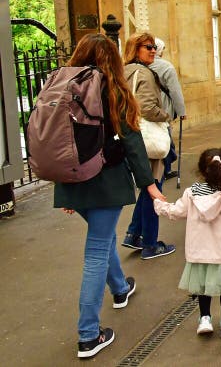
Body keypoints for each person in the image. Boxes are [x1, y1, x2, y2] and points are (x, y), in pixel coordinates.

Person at [54, 33, 163, 359]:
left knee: (100, 240)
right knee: (96, 252)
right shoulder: (112, 90)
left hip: (72, 180)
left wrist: (64, 184)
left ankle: (120, 288)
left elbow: (54, 137)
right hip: (105, 182)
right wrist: (150, 185)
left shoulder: (62, 85)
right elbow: (131, 142)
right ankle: (88, 334)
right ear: (112, 59)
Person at [153, 148, 221, 339]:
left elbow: (176, 212)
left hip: (200, 251)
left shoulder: (191, 193)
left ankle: (205, 319)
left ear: (202, 170)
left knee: (203, 286)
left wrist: (159, 204)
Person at [121, 32, 176, 260]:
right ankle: (151, 244)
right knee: (154, 189)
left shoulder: (124, 71)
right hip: (148, 139)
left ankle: (133, 234)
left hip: (131, 136)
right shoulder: (143, 72)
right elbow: (146, 108)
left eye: (154, 46)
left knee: (147, 187)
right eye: (147, 47)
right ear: (136, 49)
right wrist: (165, 116)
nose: (153, 50)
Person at [150, 37, 186, 179]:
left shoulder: (139, 65)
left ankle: (155, 169)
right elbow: (175, 91)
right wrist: (181, 111)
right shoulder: (166, 67)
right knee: (165, 136)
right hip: (163, 108)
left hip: (144, 108)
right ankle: (165, 169)